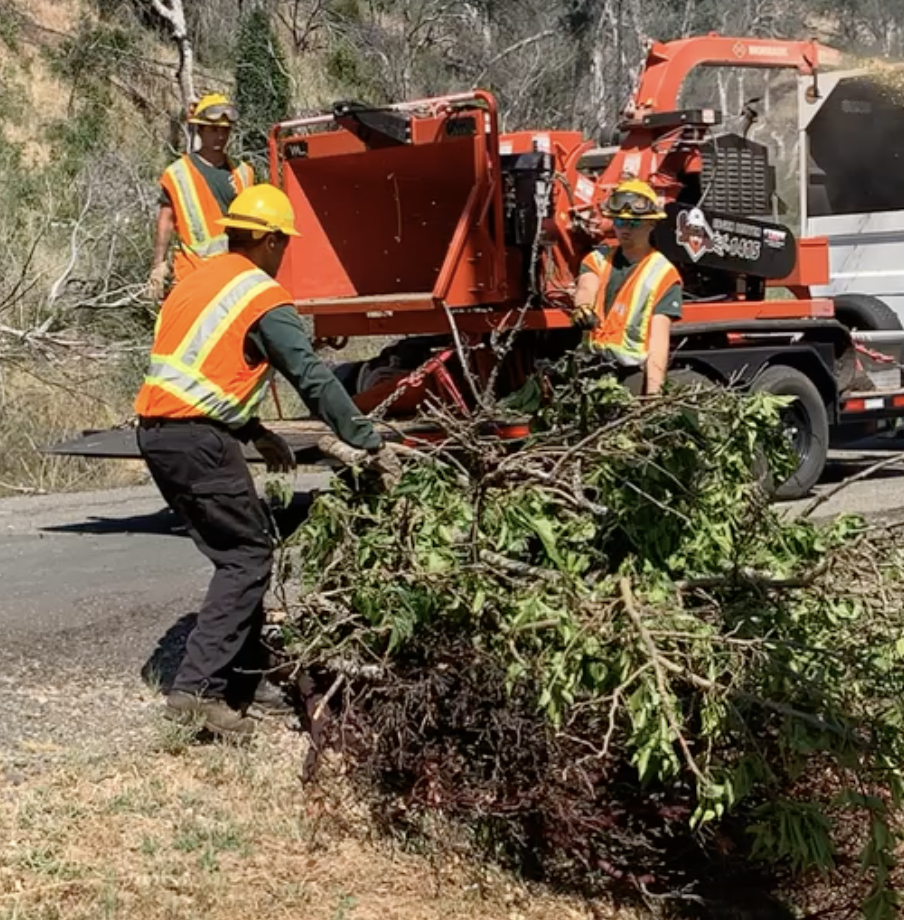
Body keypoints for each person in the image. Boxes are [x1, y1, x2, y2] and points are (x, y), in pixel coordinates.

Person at [135, 183, 402, 739]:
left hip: (158, 435)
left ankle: (244, 679)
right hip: (197, 441)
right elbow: (310, 376)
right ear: (273, 240)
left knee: (240, 548)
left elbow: (199, 372)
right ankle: (198, 694)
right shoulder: (260, 294)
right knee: (247, 555)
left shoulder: (197, 280)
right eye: (284, 243)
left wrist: (255, 431)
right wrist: (366, 439)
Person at [570, 178, 683, 395]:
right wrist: (582, 307)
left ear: (652, 224)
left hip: (631, 376)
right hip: (591, 369)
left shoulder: (663, 274)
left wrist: (653, 396)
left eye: (633, 223)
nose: (624, 229)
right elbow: (586, 287)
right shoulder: (598, 259)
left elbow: (658, 342)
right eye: (619, 222)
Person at [148, 93, 255, 301]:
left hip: (235, 276)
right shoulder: (178, 174)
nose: (220, 136)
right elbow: (166, 220)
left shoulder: (244, 172)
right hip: (194, 275)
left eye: (225, 131)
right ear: (200, 130)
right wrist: (159, 265)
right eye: (214, 130)